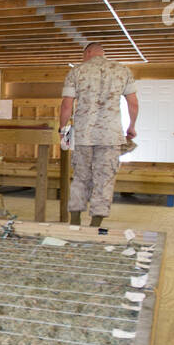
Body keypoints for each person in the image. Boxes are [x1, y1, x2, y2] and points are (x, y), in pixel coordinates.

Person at [60, 42, 139, 228]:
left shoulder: (76, 72)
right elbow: (133, 104)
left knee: (80, 177)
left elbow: (66, 106)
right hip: (110, 136)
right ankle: (95, 224)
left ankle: (75, 222)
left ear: (87, 53)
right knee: (104, 178)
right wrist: (131, 127)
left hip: (82, 135)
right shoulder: (123, 71)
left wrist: (63, 132)